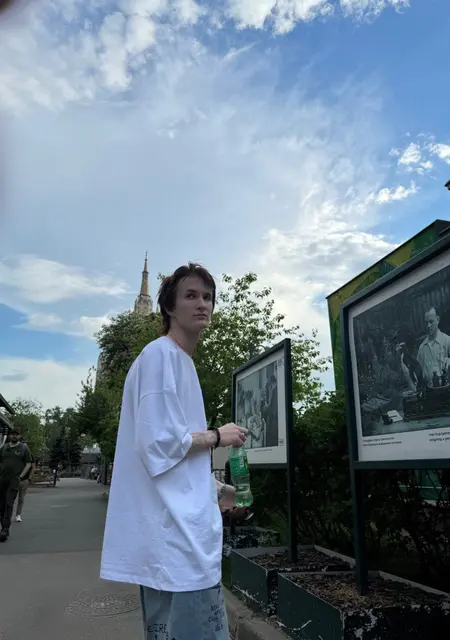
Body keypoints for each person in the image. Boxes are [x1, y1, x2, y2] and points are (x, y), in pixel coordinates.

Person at [101, 263, 248, 640]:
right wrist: (218, 435)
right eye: (191, 295)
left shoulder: (177, 361)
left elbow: (171, 457)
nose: (202, 304)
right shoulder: (160, 356)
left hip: (177, 541)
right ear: (168, 307)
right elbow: (158, 443)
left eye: (208, 297)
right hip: (178, 544)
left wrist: (217, 491)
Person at [401, 307, 450, 390]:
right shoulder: (422, 348)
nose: (428, 326)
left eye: (431, 321)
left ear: (438, 320)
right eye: (426, 322)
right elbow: (418, 374)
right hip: (430, 393)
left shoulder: (447, 341)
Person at [0, 428, 32, 542]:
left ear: (19, 436)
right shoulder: (4, 448)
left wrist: (21, 476)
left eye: (16, 434)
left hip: (14, 480)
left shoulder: (23, 448)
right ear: (9, 436)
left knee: (9, 503)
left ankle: (5, 529)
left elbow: (28, 463)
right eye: (12, 434)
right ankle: (3, 526)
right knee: (2, 504)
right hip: (2, 479)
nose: (14, 436)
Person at [14, 438, 35, 522]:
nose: (24, 445)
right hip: (14, 478)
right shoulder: (16, 454)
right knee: (10, 497)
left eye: (25, 443)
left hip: (24, 479)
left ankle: (18, 514)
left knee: (21, 498)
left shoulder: (30, 455)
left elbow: (33, 467)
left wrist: (29, 478)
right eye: (22, 443)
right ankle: (7, 514)